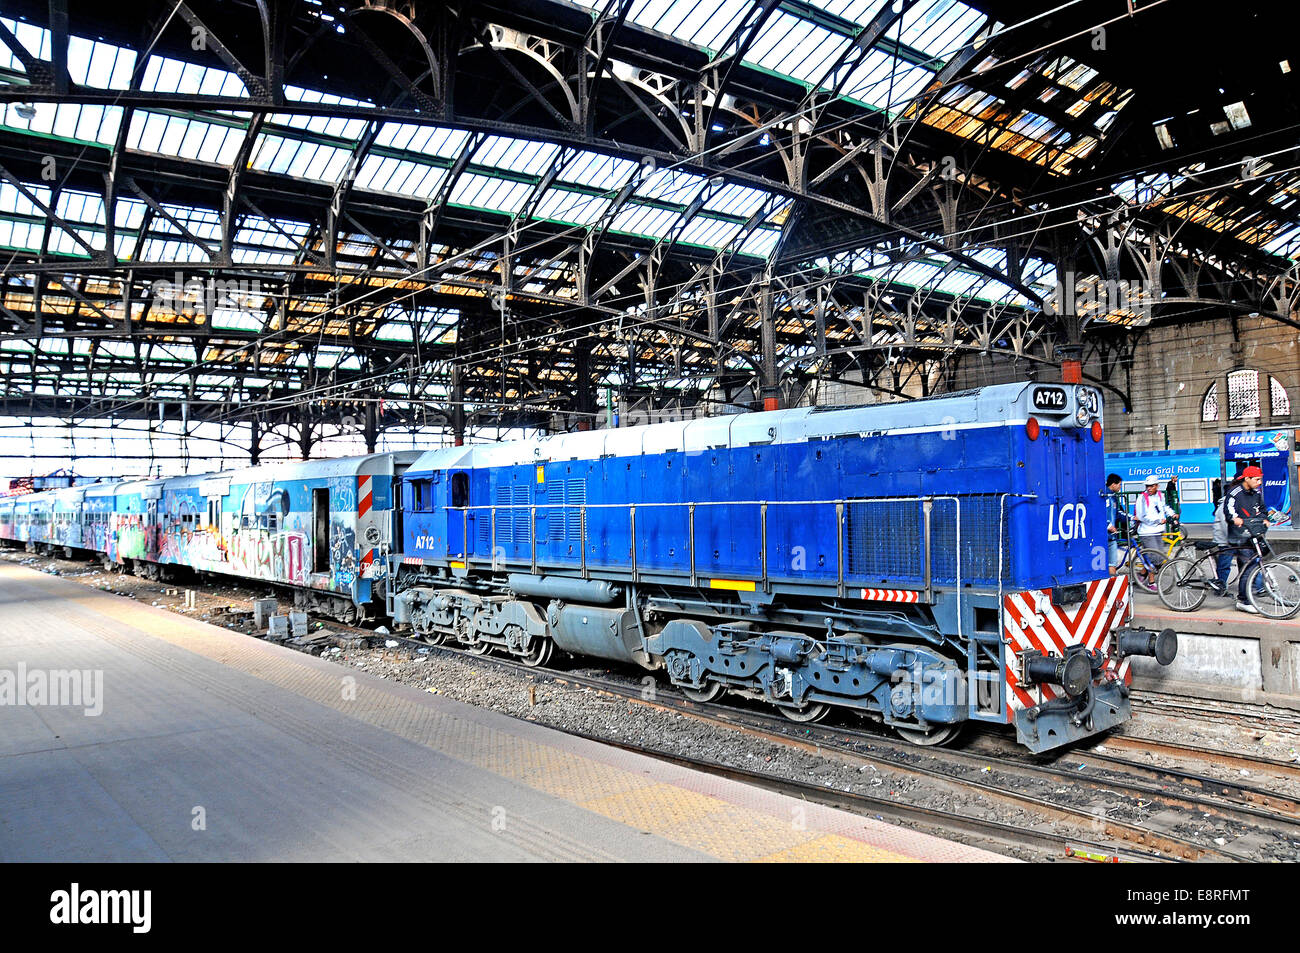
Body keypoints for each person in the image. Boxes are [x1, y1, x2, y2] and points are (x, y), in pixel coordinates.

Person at [1224, 465, 1269, 613]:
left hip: (1254, 534)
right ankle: (1243, 600)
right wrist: (1235, 519)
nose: (1259, 482)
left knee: (1254, 565)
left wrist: (1265, 519)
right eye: (1257, 479)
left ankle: (1250, 593)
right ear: (1247, 478)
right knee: (1248, 567)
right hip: (1240, 536)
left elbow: (1262, 510)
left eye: (1260, 479)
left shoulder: (1256, 493)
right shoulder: (1234, 493)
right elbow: (1229, 512)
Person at [1104, 473, 1127, 576]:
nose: (1120, 487)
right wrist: (1108, 526)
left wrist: (1131, 518)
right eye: (1119, 484)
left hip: (1112, 536)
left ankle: (1112, 582)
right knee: (1105, 564)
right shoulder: (1103, 495)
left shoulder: (1113, 497)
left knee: (1112, 563)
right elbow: (1098, 513)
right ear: (1113, 484)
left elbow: (1117, 514)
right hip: (1103, 536)